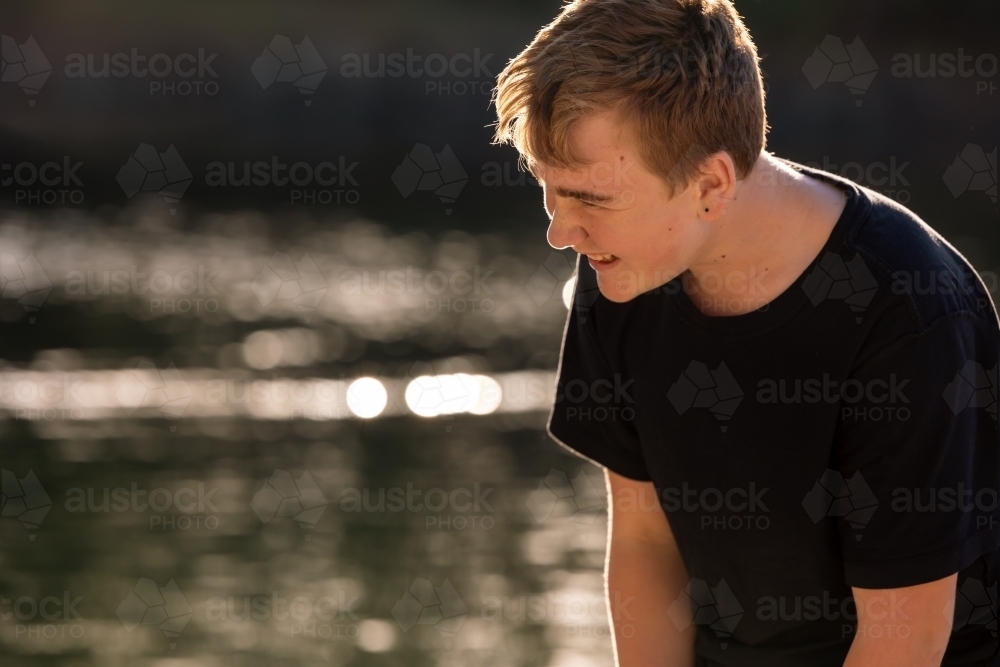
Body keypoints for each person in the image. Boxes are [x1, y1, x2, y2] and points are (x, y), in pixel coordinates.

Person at [492, 1, 999, 665]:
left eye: (590, 197)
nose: (561, 232)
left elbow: (905, 636)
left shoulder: (909, 312)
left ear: (710, 185)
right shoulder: (622, 268)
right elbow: (647, 544)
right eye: (548, 189)